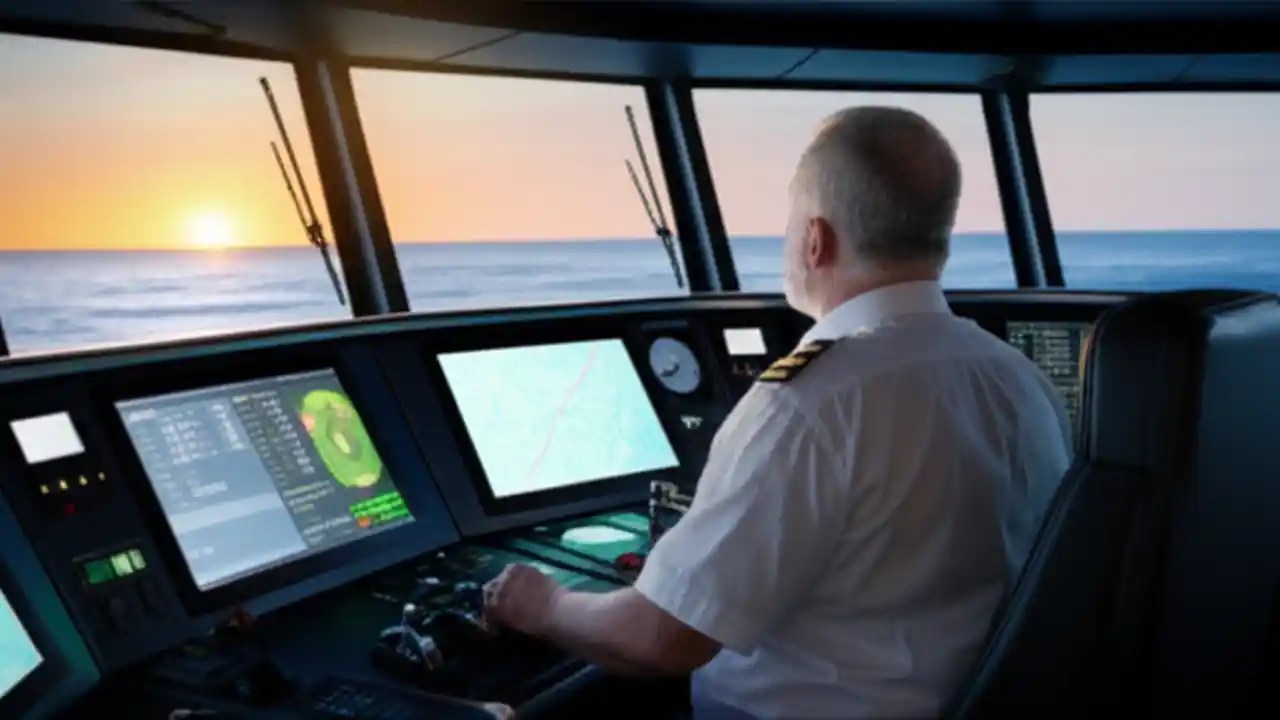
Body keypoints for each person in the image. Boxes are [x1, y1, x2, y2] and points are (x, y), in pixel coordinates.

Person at [482, 106, 1072, 719]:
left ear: (816, 240)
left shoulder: (811, 402)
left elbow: (660, 637)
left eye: (790, 221)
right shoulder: (1021, 381)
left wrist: (544, 605)